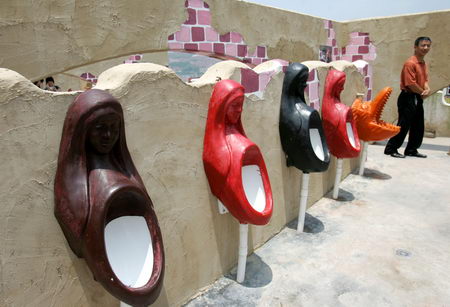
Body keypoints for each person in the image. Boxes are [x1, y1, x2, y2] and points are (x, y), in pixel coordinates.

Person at [384, 36, 431, 158]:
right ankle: (391, 148)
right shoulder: (410, 63)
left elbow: (425, 80)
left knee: (418, 125)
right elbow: (410, 83)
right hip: (408, 97)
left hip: (417, 96)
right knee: (403, 124)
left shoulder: (423, 63)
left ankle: (411, 149)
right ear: (415, 47)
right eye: (423, 45)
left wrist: (427, 89)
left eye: (428, 45)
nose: (426, 48)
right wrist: (422, 93)